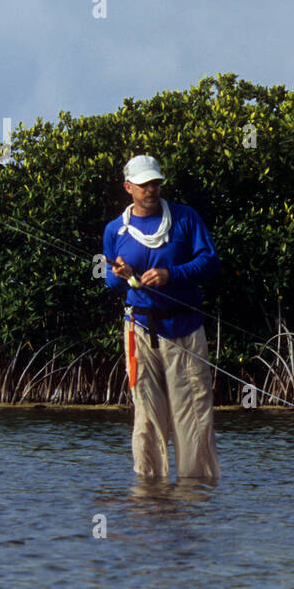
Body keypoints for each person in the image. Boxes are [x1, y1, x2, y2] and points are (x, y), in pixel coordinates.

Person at [103, 154, 221, 480]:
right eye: (143, 185)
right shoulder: (115, 230)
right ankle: (148, 491)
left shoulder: (185, 218)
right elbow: (111, 282)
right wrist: (121, 274)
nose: (150, 190)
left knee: (194, 413)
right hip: (139, 329)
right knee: (146, 414)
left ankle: (197, 491)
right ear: (128, 187)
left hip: (184, 327)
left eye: (155, 183)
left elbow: (210, 262)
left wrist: (172, 274)